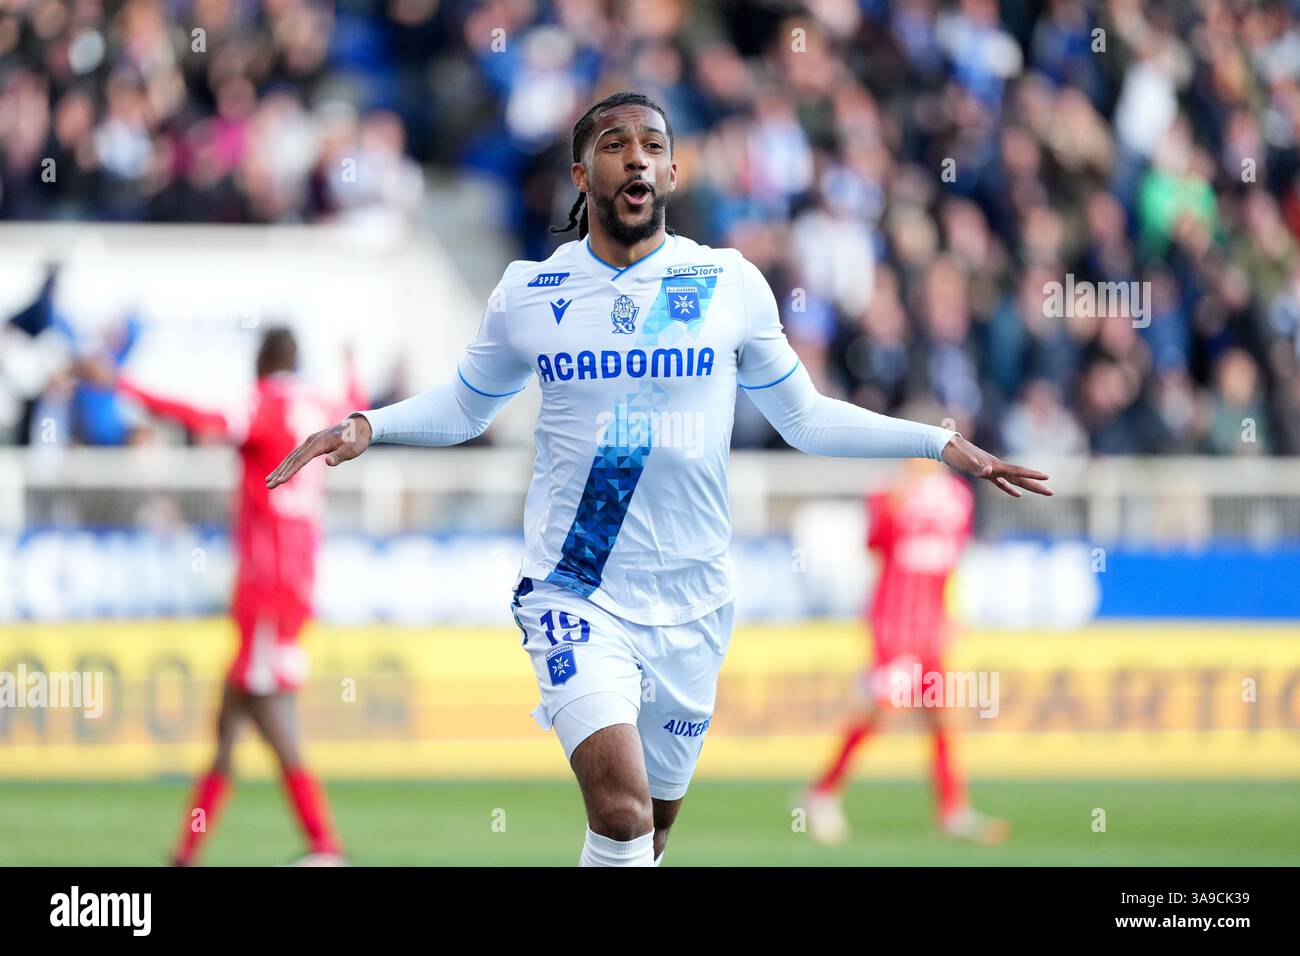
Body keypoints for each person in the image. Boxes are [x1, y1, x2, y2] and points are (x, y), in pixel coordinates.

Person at [266, 92, 1051, 867]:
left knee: (652, 833)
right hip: (574, 589)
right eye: (614, 144)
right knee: (621, 811)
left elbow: (805, 418)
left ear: (672, 170)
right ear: (581, 173)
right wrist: (371, 424)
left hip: (694, 602)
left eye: (652, 144)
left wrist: (940, 444)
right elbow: (468, 406)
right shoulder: (531, 293)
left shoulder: (727, 285)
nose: (635, 155)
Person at [85, 328, 362, 865]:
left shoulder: (265, 405)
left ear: (262, 363)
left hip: (266, 587)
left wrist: (119, 382)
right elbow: (359, 405)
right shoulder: (322, 405)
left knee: (269, 712)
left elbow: (201, 419)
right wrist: (353, 363)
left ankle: (325, 848)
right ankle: (186, 855)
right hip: (297, 583)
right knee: (228, 731)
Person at [803, 458, 1010, 847]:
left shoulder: (958, 497)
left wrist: (953, 613)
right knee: (880, 709)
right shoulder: (890, 492)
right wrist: (899, 497)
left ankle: (953, 811)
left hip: (932, 625)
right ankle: (822, 794)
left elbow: (953, 562)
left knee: (941, 717)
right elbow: (875, 544)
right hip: (894, 623)